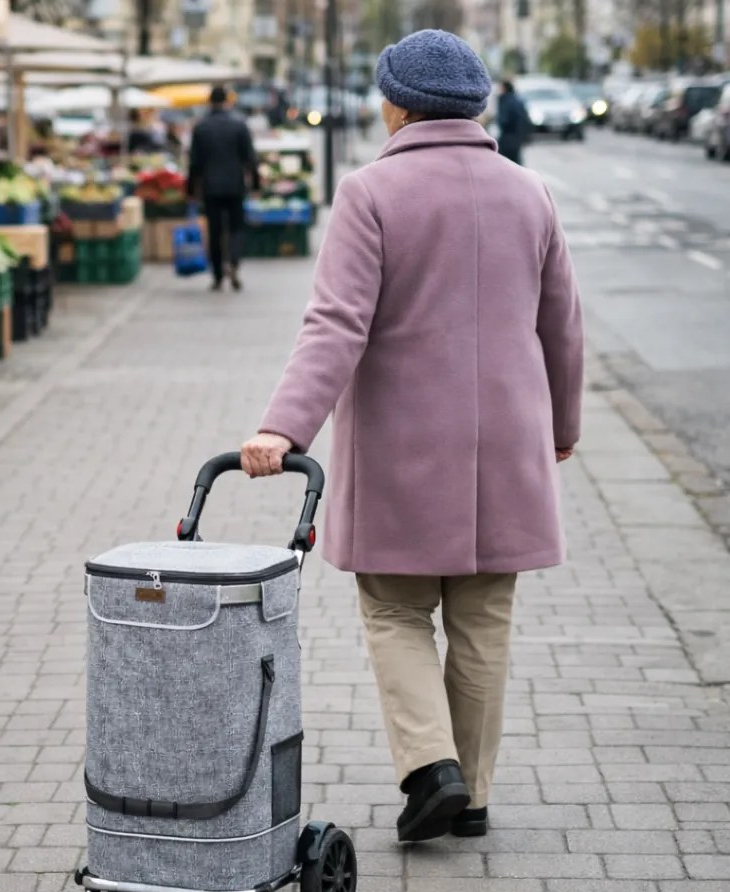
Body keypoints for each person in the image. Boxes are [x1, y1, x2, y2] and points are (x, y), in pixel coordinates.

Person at [240, 30, 584, 843]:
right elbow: (561, 326)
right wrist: (562, 428)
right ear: (477, 105)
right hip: (507, 445)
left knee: (395, 611)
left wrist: (282, 428)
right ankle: (471, 796)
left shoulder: (370, 193)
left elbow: (336, 325)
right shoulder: (528, 192)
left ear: (395, 106)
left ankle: (431, 768)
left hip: (401, 446)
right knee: (483, 621)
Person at [188, 85, 259, 292]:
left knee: (215, 231)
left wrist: (190, 190)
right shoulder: (239, 125)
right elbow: (250, 159)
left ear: (209, 102)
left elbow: (194, 164)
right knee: (236, 228)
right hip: (235, 185)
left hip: (210, 187)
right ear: (227, 101)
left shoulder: (201, 127)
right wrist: (255, 184)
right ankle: (234, 263)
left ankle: (218, 275)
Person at [496, 79, 531, 164]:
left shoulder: (505, 101)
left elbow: (503, 120)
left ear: (504, 88)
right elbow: (526, 119)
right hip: (518, 137)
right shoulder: (518, 100)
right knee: (517, 163)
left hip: (507, 138)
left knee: (505, 163)